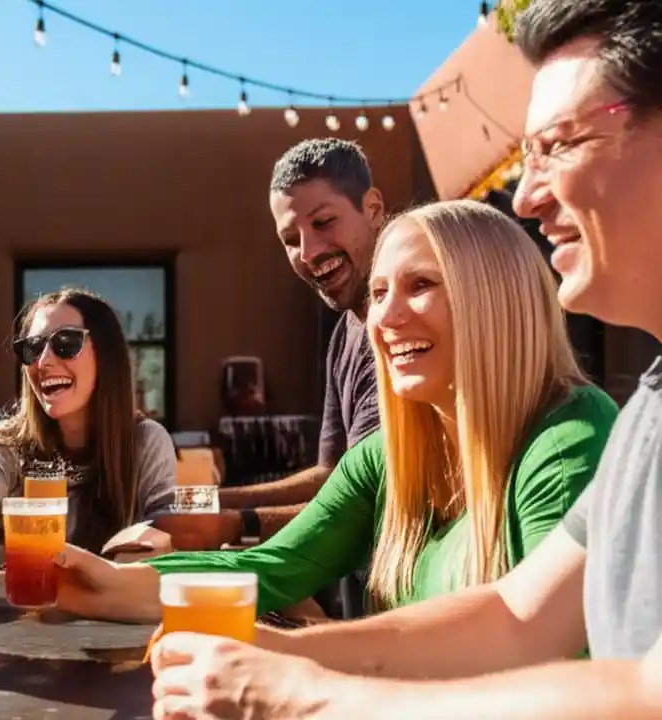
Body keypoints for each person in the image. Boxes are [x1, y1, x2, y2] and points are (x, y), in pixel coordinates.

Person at [148, 2, 662, 717]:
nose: (527, 196)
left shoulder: (575, 429)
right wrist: (276, 653)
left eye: (561, 144)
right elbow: (515, 614)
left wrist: (304, 690)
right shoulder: (646, 414)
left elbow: (639, 689)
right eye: (381, 292)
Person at [56, 200, 617, 622]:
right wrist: (99, 579)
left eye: (421, 284)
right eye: (379, 293)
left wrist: (308, 658)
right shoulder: (387, 457)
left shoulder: (568, 436)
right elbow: (268, 570)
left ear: (496, 298)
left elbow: (537, 639)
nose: (385, 318)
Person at [214, 139, 385, 547]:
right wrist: (206, 502)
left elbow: (369, 499)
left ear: (373, 209)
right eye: (291, 239)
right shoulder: (345, 332)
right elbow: (333, 475)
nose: (308, 253)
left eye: (323, 222)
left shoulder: (408, 329)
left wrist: (232, 524)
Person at [0, 288, 177, 556]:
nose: (43, 361)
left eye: (66, 343)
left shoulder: (145, 442)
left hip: (118, 584)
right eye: (33, 348)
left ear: (105, 355)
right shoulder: (1, 447)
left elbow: (165, 542)